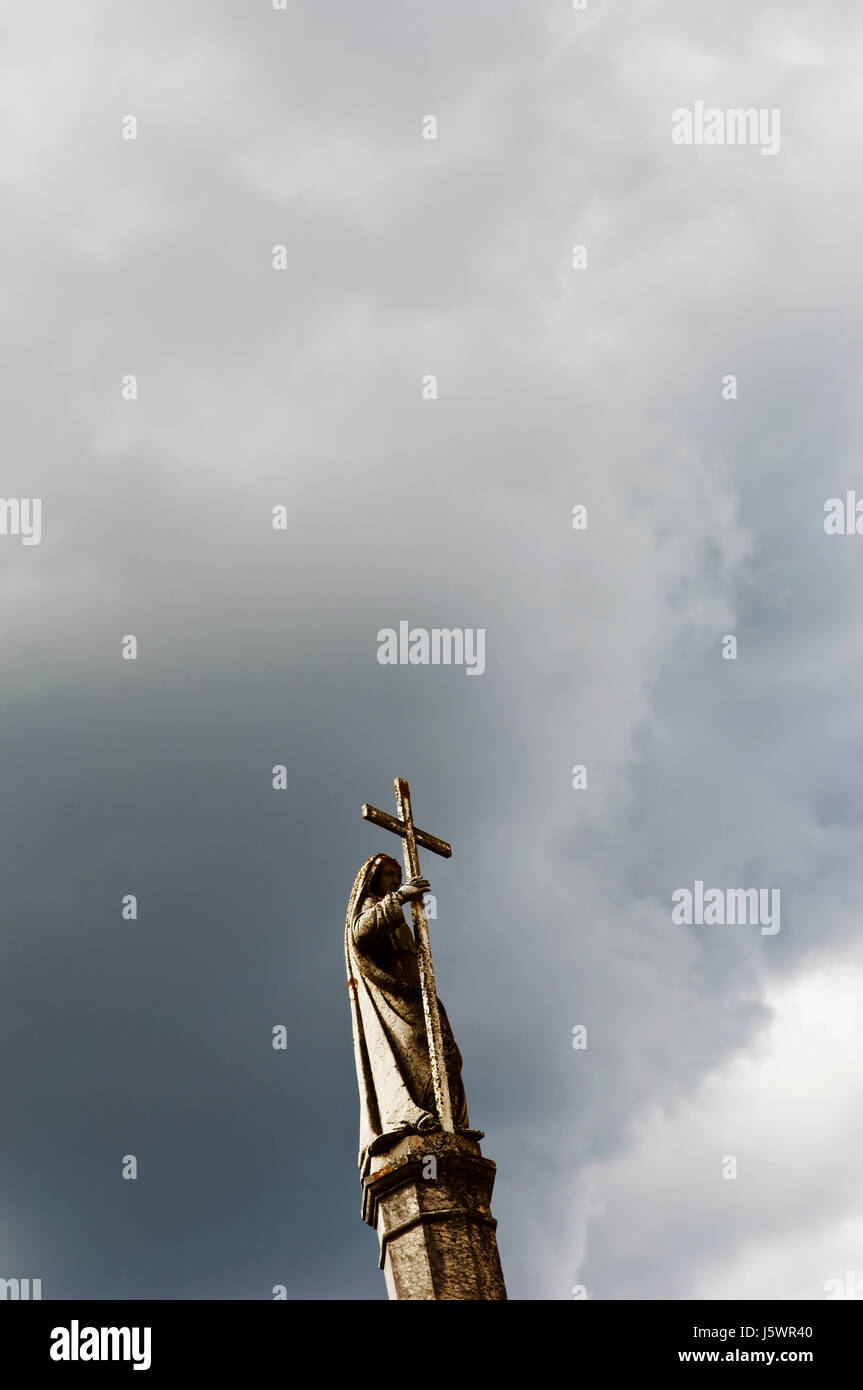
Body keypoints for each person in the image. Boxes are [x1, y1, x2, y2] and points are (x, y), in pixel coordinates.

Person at [344, 852, 479, 1174]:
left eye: (397, 874)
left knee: (447, 1053)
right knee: (414, 1046)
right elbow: (361, 933)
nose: (395, 879)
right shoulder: (370, 907)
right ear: (374, 879)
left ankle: (450, 1119)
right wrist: (400, 898)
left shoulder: (395, 911)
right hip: (394, 994)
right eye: (390, 875)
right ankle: (414, 1113)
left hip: (417, 991)